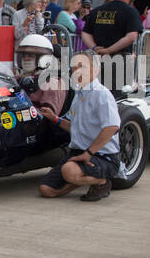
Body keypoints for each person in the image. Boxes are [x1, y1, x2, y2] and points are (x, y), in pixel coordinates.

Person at [37, 52, 122, 202]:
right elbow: (75, 128)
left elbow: (112, 127)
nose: (77, 72)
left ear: (95, 70)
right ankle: (81, 179)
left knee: (68, 171)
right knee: (46, 190)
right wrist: (54, 118)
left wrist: (89, 153)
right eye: (74, 68)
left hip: (102, 156)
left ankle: (103, 181)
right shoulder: (79, 94)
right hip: (78, 152)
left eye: (82, 67)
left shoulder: (101, 94)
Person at [82, 0, 143, 89]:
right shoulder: (131, 12)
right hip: (120, 60)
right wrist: (108, 50)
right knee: (118, 97)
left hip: (98, 58)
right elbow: (131, 37)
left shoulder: (97, 10)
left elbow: (85, 33)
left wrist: (95, 48)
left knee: (97, 92)